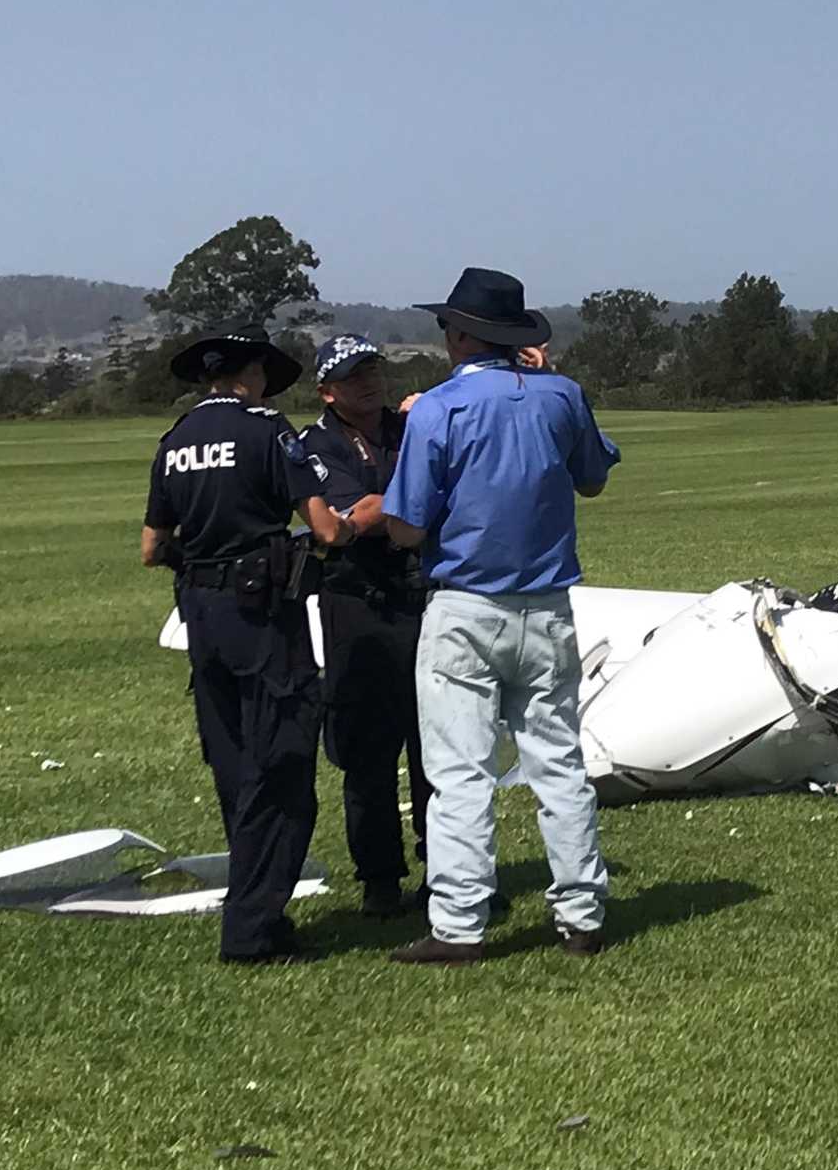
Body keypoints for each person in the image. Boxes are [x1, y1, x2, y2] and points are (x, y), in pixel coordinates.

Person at [381, 268, 622, 965]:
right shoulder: (562, 396)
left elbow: (403, 526)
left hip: (464, 607)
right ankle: (582, 915)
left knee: (459, 774)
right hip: (547, 607)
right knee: (560, 767)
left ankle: (459, 923)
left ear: (460, 335)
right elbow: (594, 479)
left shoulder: (437, 407)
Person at [140, 331, 341, 965]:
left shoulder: (174, 441)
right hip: (263, 615)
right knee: (281, 763)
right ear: (252, 375)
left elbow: (151, 548)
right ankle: (251, 926)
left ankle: (258, 908)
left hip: (202, 616)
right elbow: (326, 528)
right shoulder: (268, 429)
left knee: (232, 765)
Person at [297, 334, 432, 918]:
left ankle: (447, 870)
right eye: (352, 377)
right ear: (327, 391)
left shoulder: (408, 428)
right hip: (357, 605)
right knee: (367, 751)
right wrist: (420, 480)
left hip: (421, 597)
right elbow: (358, 515)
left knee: (438, 747)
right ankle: (380, 879)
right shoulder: (314, 445)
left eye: (373, 371)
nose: (369, 383)